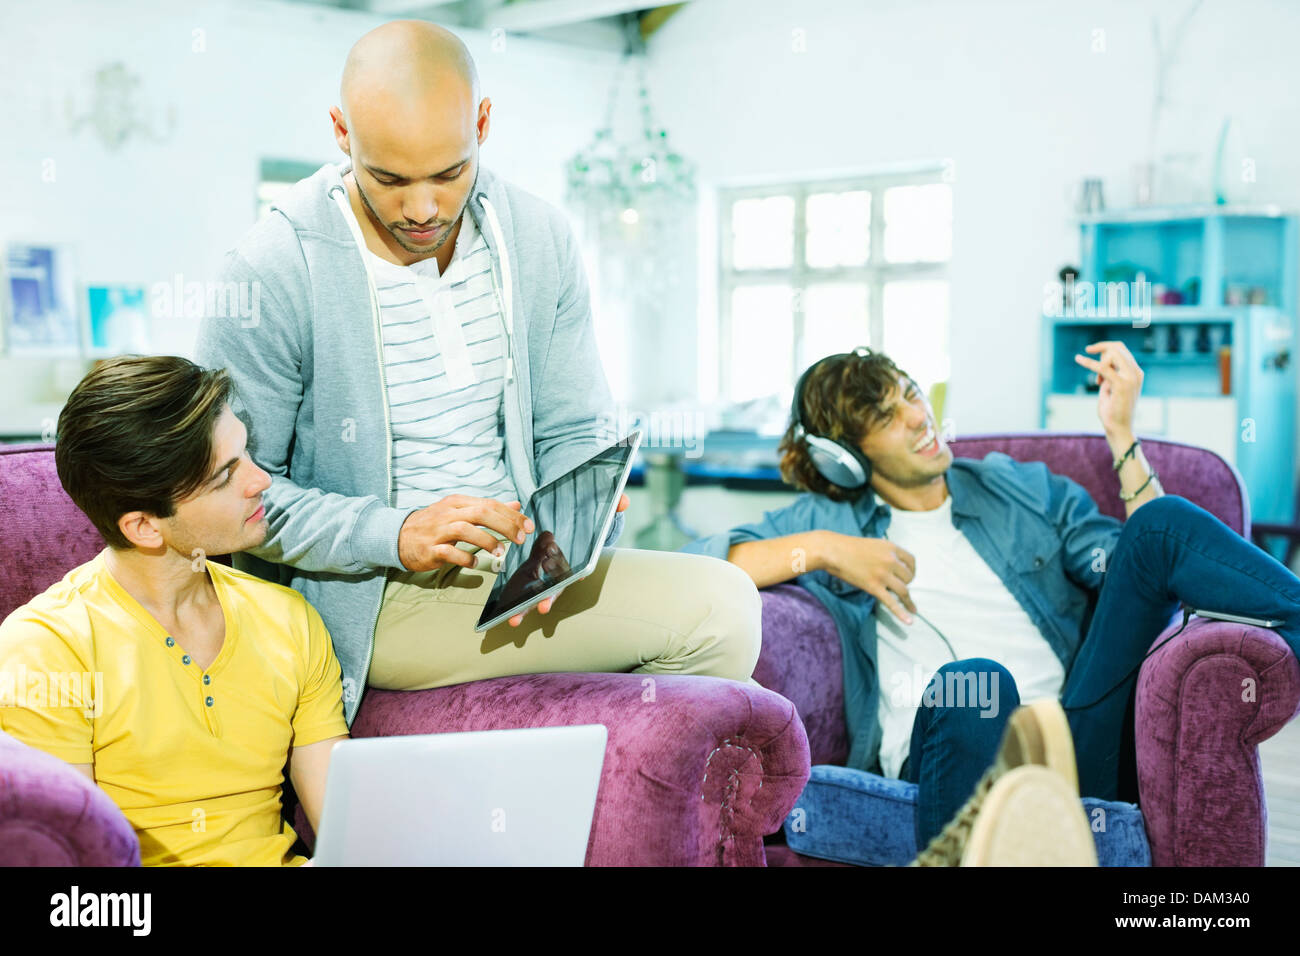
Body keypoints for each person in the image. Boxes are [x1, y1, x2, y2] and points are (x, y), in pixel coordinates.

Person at [195, 20, 761, 727]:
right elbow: (229, 502)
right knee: (720, 609)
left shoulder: (538, 237)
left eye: (449, 173)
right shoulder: (273, 269)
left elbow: (573, 426)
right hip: (375, 592)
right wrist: (396, 532)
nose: (423, 209)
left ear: (483, 124)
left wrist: (572, 534)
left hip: (518, 574)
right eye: (390, 179)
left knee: (726, 608)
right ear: (342, 132)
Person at [682, 342, 1300, 859]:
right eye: (889, 416)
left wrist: (1121, 436)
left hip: (1074, 736)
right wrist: (821, 549)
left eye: (912, 395)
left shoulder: (1018, 486)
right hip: (954, 742)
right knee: (978, 684)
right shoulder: (826, 520)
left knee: (1161, 524)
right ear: (847, 457)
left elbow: (1140, 571)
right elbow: (699, 566)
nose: (921, 418)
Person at [0, 356, 348, 866]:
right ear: (144, 527)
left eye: (245, 452)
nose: (261, 481)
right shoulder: (48, 647)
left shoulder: (289, 617)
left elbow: (347, 829)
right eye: (226, 474)